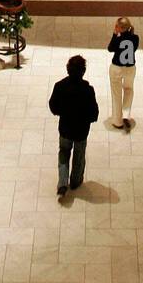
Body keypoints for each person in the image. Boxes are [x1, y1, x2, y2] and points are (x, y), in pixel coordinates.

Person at [48, 55, 99, 197]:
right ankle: (75, 181)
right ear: (83, 71)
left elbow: (53, 106)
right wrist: (89, 119)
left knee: (64, 152)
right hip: (81, 130)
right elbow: (94, 112)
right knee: (79, 155)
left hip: (65, 128)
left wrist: (61, 112)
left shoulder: (60, 86)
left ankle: (62, 183)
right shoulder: (88, 90)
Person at [107, 17, 140, 130]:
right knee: (129, 90)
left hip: (117, 68)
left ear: (120, 28)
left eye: (116, 26)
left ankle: (117, 121)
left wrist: (115, 35)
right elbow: (133, 48)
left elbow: (110, 49)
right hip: (130, 69)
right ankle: (126, 115)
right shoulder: (135, 38)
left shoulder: (118, 39)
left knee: (116, 93)